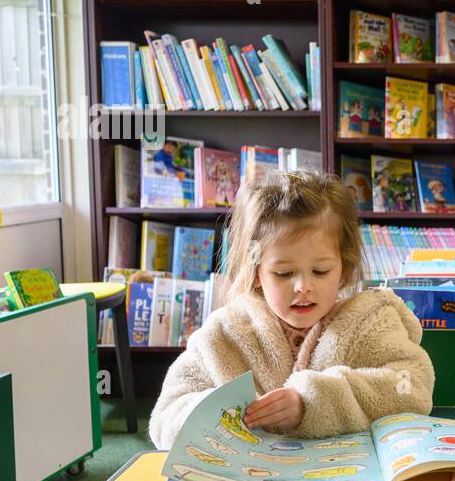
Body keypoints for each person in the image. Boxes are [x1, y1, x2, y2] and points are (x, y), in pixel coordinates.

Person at [149, 170, 434, 449]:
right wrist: (222, 413)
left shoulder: (371, 323)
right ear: (256, 272)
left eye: (320, 271)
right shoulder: (225, 334)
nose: (302, 286)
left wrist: (314, 400)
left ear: (344, 269)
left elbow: (413, 387)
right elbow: (164, 422)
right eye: (284, 273)